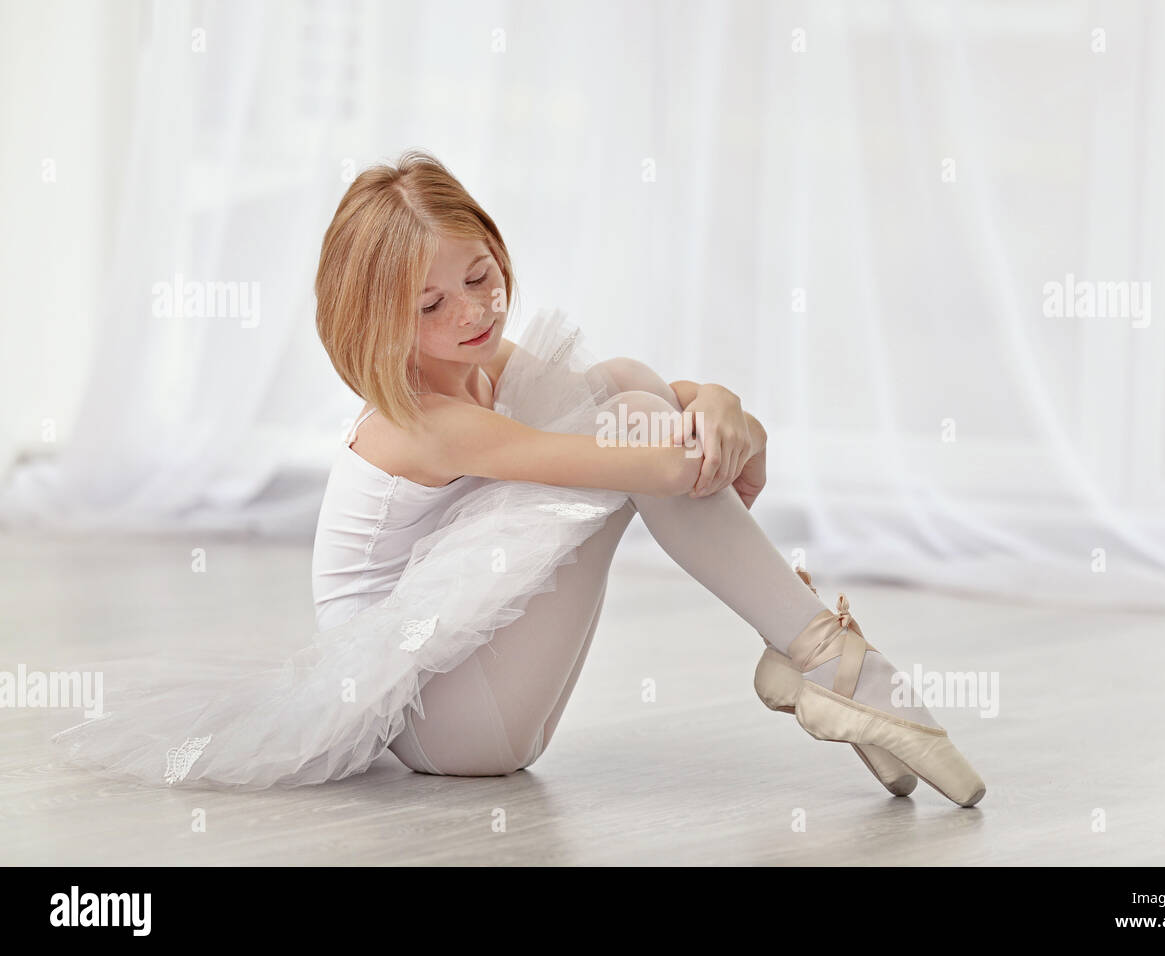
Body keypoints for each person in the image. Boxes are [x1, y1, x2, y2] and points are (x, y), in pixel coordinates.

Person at [53, 150, 984, 807]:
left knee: (622, 383)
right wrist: (728, 432)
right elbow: (643, 465)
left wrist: (729, 401)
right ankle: (827, 659)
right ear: (375, 322)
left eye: (482, 274)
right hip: (442, 730)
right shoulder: (426, 423)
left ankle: (819, 664)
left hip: (489, 692)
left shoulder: (491, 373)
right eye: (431, 303)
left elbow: (650, 411)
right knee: (627, 414)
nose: (474, 310)